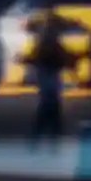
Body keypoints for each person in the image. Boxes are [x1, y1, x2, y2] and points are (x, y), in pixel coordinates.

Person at [26, 13, 76, 146]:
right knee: (50, 103)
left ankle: (41, 135)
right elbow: (58, 56)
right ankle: (51, 134)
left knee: (48, 103)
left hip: (46, 73)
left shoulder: (45, 39)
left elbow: (37, 57)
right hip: (50, 74)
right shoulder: (51, 40)